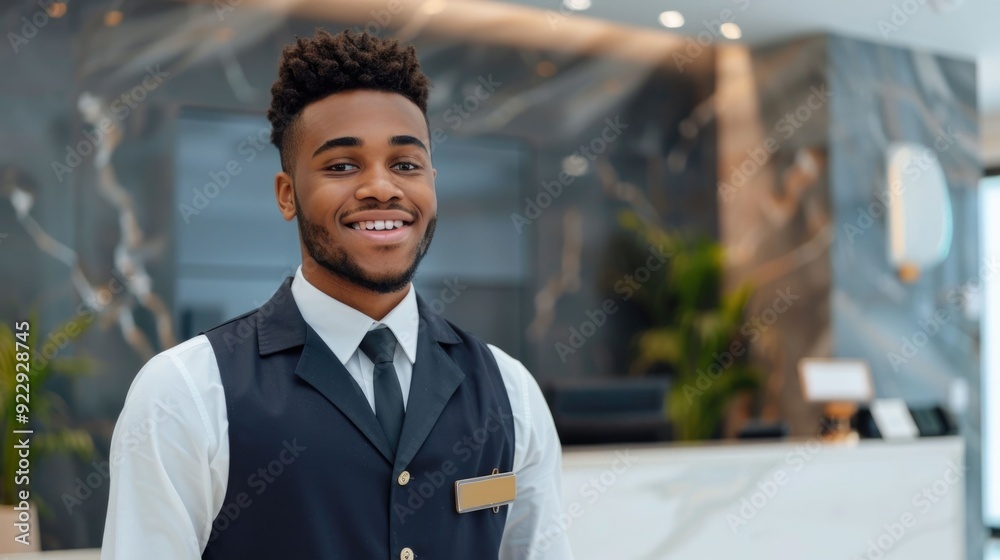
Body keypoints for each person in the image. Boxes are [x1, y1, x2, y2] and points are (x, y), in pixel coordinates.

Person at [100, 28, 574, 560]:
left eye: (406, 165)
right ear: (288, 195)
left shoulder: (511, 390)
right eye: (342, 166)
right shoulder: (185, 392)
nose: (381, 188)